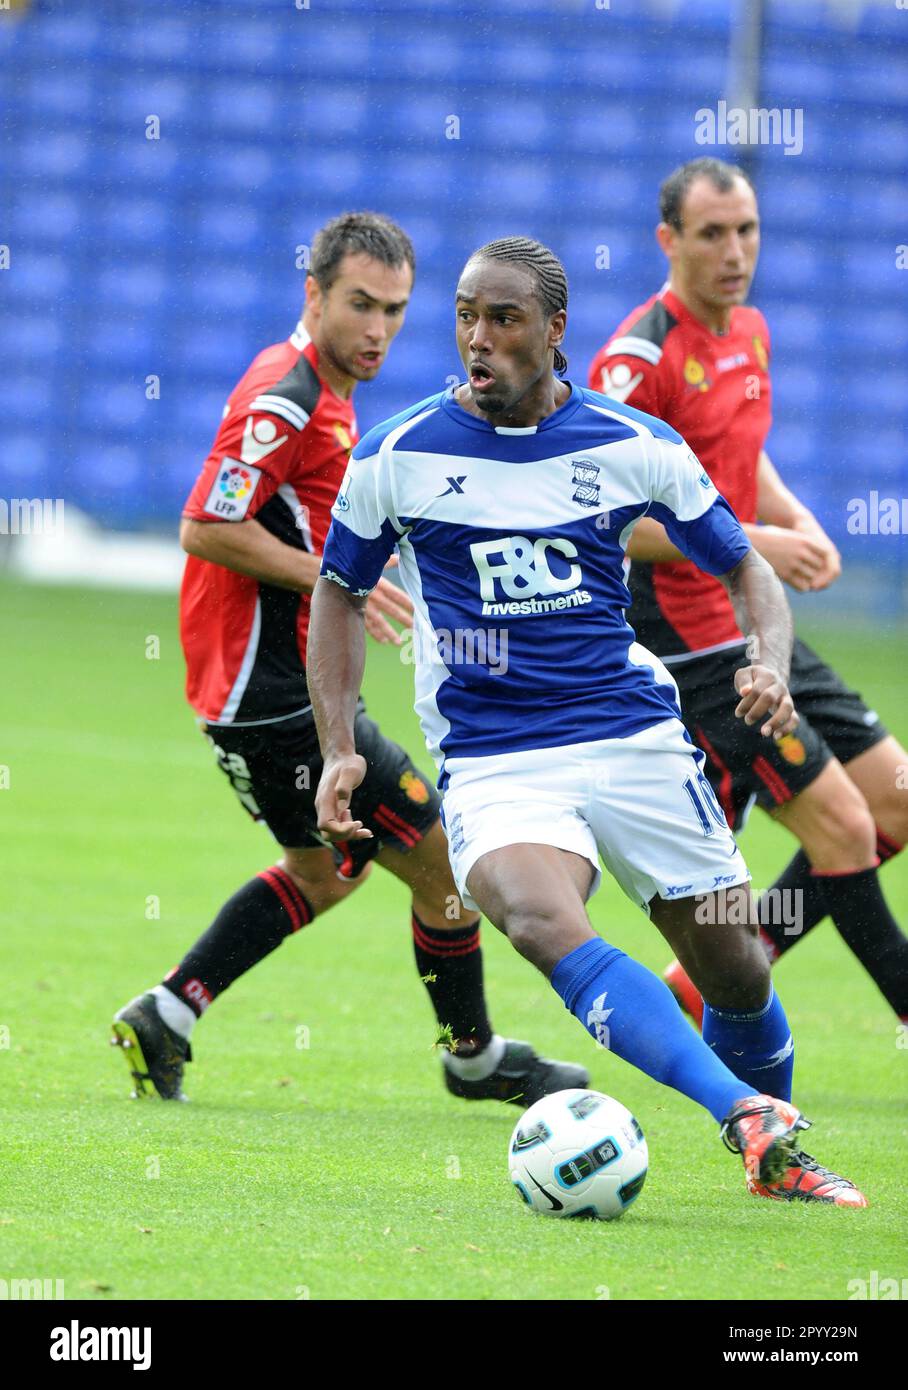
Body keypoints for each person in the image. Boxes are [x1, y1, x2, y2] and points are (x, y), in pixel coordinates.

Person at [307, 235, 867, 1206]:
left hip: (629, 735)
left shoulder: (630, 444)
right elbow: (338, 592)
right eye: (465, 317)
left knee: (731, 968)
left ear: (553, 329)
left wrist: (766, 666)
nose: (477, 339)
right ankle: (741, 1113)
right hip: (493, 756)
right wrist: (338, 747)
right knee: (532, 915)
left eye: (504, 318)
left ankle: (775, 1154)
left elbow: (744, 563)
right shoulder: (397, 453)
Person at [111, 212, 586, 1107]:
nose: (378, 330)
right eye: (360, 305)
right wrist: (342, 582)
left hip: (261, 690)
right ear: (315, 294)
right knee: (443, 861)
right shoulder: (286, 398)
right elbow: (206, 526)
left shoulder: (321, 395)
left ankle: (168, 1013)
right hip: (273, 691)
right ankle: (472, 1055)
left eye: (396, 311)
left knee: (323, 873)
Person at [588, 157, 908, 1030]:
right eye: (712, 234)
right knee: (841, 828)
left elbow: (737, 451)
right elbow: (612, 523)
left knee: (894, 803)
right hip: (695, 647)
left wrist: (794, 518)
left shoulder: (749, 331)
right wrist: (758, 544)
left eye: (747, 231)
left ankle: (703, 978)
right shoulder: (638, 360)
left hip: (756, 623)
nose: (735, 251)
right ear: (669, 241)